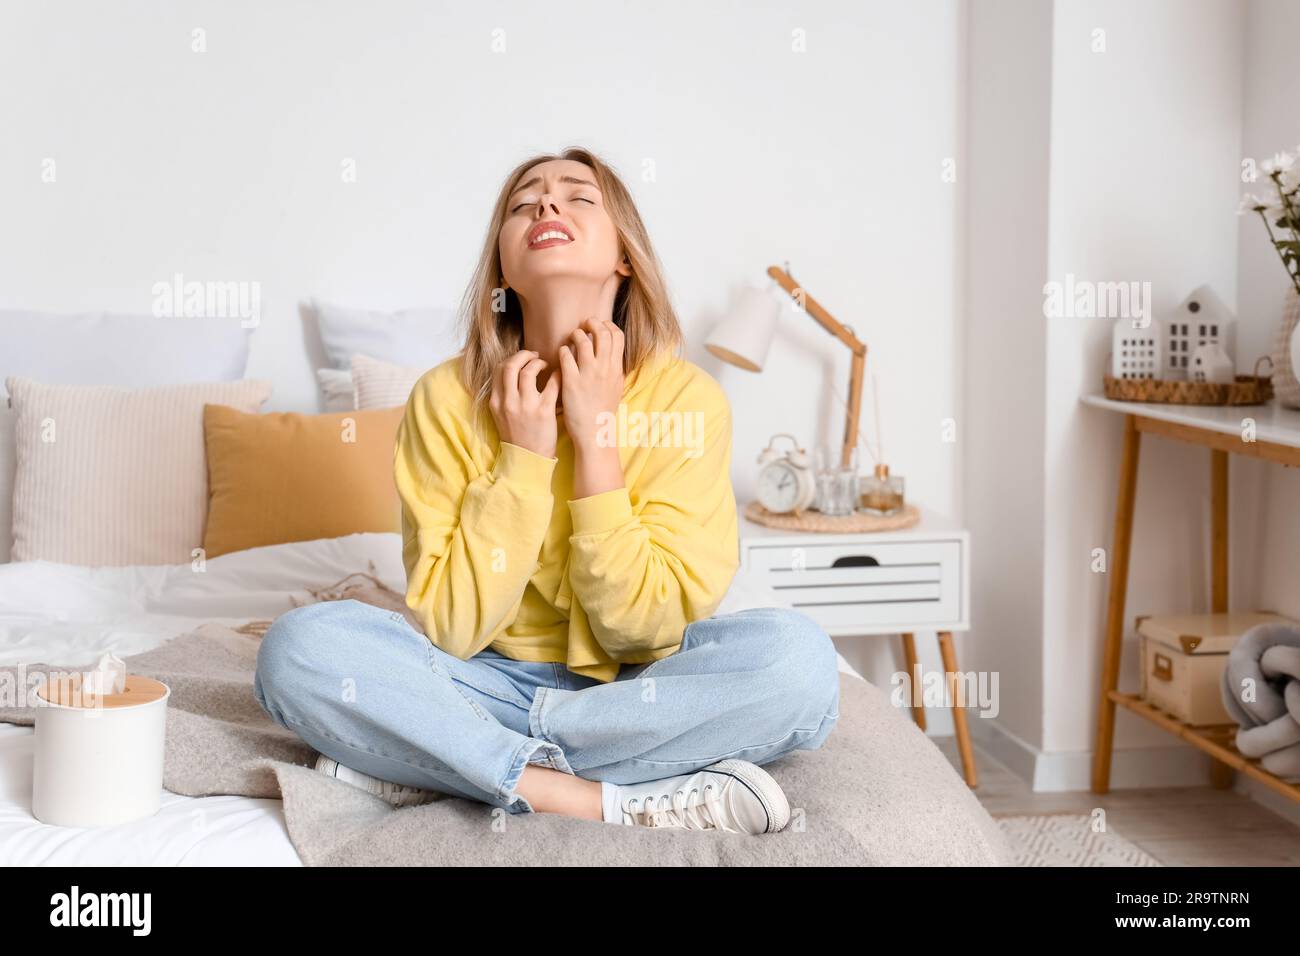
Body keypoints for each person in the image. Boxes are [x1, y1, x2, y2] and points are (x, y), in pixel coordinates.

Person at [254, 147, 840, 834]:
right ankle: (598, 799)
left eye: (577, 197)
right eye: (523, 201)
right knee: (299, 650)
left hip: (637, 692)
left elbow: (644, 626)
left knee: (798, 665)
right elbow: (453, 626)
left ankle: (454, 766)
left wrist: (596, 439)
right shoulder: (444, 398)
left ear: (625, 256)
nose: (546, 206)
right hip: (478, 685)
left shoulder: (688, 400)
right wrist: (523, 457)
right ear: (503, 266)